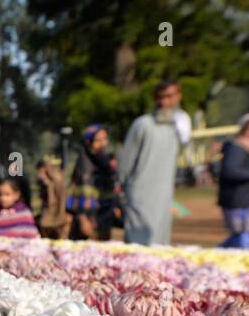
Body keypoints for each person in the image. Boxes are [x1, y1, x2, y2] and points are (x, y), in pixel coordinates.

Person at [118, 81, 182, 245]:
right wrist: (125, 190)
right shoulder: (143, 125)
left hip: (163, 198)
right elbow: (125, 164)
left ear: (178, 97)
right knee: (138, 247)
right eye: (160, 97)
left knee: (159, 247)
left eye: (169, 97)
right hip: (139, 197)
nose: (164, 102)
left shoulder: (176, 128)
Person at [216, 113, 249, 249]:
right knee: (243, 237)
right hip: (238, 199)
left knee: (247, 235)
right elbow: (230, 172)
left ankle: (221, 251)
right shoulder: (236, 147)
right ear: (244, 129)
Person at [68, 124, 120, 240]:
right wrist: (82, 218)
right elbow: (78, 190)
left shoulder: (104, 161)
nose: (103, 143)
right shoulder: (84, 162)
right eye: (98, 140)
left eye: (105, 139)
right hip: (88, 219)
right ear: (88, 142)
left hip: (103, 217)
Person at [35, 159, 70, 239]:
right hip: (48, 218)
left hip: (59, 219)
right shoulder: (45, 183)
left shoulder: (57, 181)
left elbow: (59, 198)